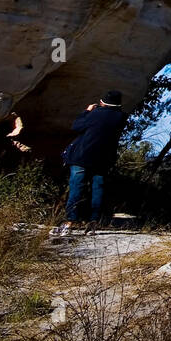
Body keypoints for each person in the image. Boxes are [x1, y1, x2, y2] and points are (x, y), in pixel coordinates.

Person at [56, 89, 128, 236]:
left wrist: (87, 111)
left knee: (76, 188)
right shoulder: (121, 118)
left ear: (103, 102)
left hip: (82, 156)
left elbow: (76, 126)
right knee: (98, 189)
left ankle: (69, 222)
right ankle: (93, 223)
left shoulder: (95, 114)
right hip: (103, 160)